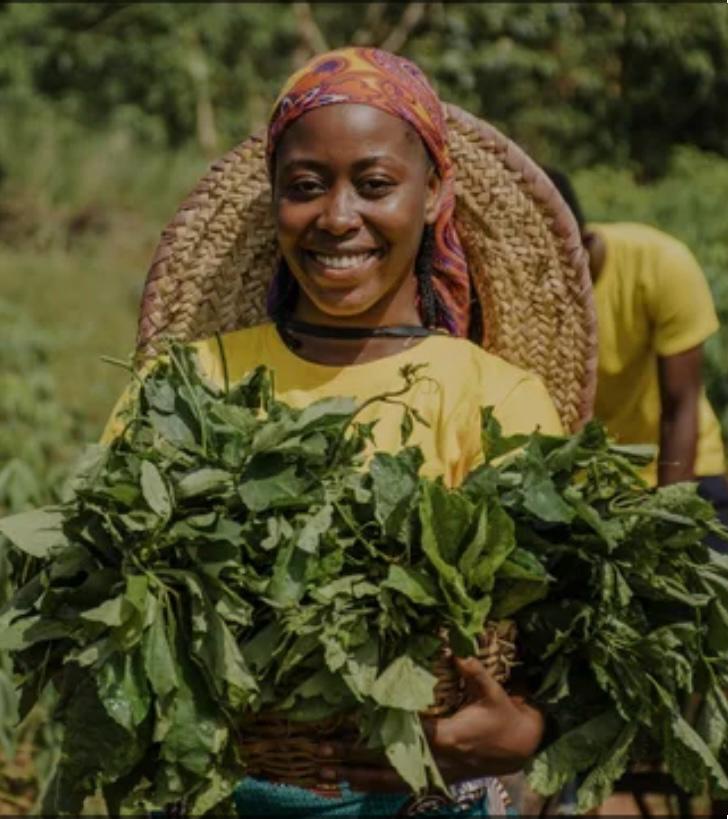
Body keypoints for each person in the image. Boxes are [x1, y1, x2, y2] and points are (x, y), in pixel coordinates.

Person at [106, 48, 588, 817]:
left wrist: (528, 732)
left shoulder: (495, 399)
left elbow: (564, 637)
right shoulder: (186, 387)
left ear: (434, 194)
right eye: (305, 186)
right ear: (275, 199)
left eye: (374, 184)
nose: (336, 217)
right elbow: (112, 586)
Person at [545, 169, 728, 537]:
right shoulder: (530, 292)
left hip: (681, 465)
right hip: (594, 483)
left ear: (585, 240)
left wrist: (665, 525)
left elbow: (680, 405)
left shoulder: (660, 264)